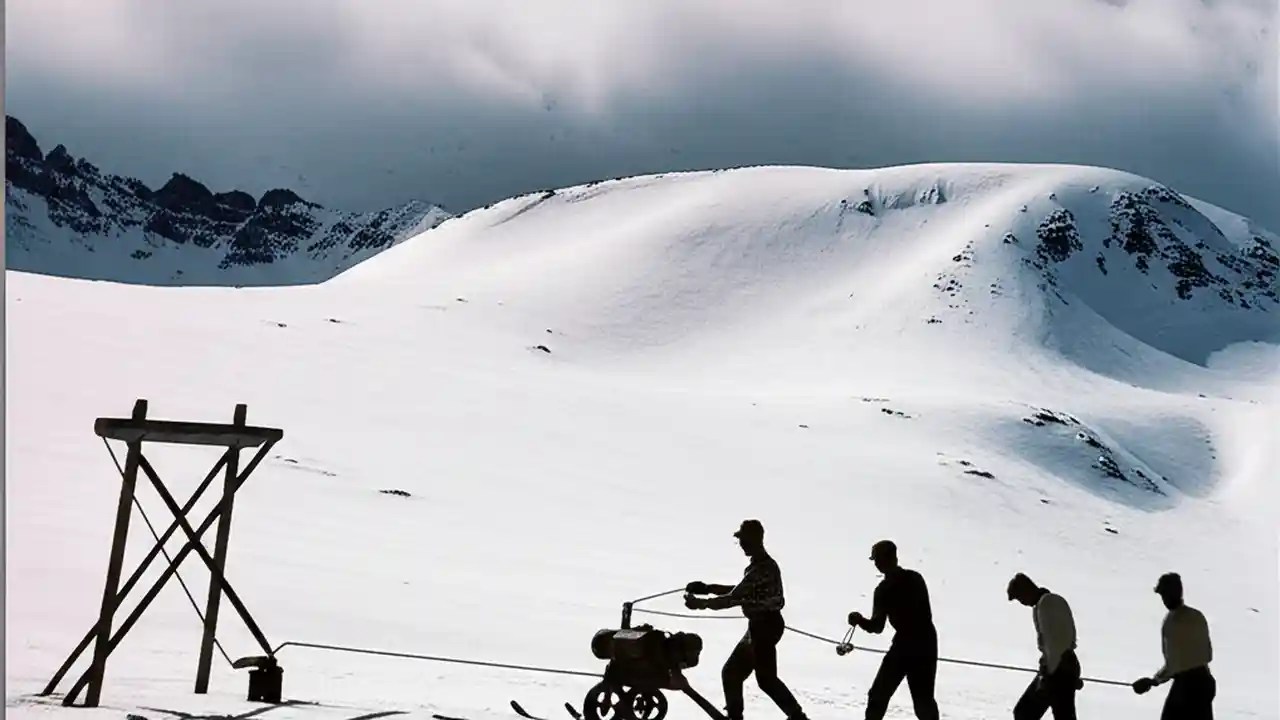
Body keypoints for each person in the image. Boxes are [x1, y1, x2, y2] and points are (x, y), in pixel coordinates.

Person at [684, 519, 809, 720]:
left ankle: (798, 717)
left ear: (755, 539)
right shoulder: (759, 566)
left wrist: (701, 603)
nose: (741, 544)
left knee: (765, 679)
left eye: (743, 540)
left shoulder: (762, 569)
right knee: (732, 673)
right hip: (760, 626)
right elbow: (739, 591)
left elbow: (734, 597)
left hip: (765, 627)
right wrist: (707, 588)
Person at [846, 540, 940, 720]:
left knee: (878, 695)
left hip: (905, 645)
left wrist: (859, 620)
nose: (876, 564)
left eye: (877, 560)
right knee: (923, 700)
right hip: (926, 641)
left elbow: (877, 627)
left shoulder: (883, 590)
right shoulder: (915, 578)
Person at [1131, 573, 1215, 719]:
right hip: (1205, 681)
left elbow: (1174, 664)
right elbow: (1207, 654)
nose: (1164, 599)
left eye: (1164, 594)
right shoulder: (1197, 615)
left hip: (1187, 687)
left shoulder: (1173, 623)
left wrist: (1155, 680)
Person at [1006, 573, 1084, 719]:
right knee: (1026, 713)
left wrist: (1048, 675)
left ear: (1026, 590)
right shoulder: (1045, 603)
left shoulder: (1047, 604)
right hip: (1061, 668)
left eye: (1020, 598)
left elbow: (1055, 644)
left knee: (1025, 713)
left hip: (1059, 669)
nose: (1022, 602)